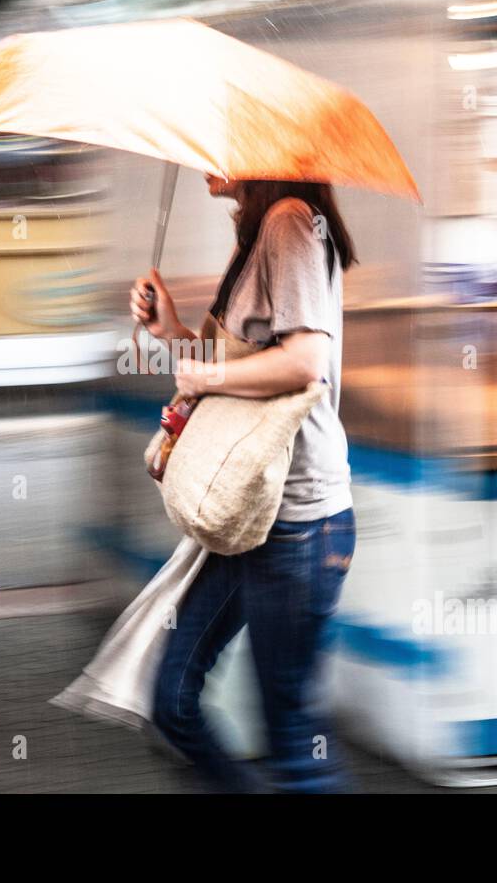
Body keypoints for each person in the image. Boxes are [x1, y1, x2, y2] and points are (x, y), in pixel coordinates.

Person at [130, 176, 356, 792]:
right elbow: (232, 364)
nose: (207, 161)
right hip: (249, 513)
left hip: (298, 522)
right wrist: (170, 330)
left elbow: (304, 361)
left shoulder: (289, 221)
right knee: (172, 700)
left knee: (295, 747)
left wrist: (203, 377)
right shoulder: (256, 231)